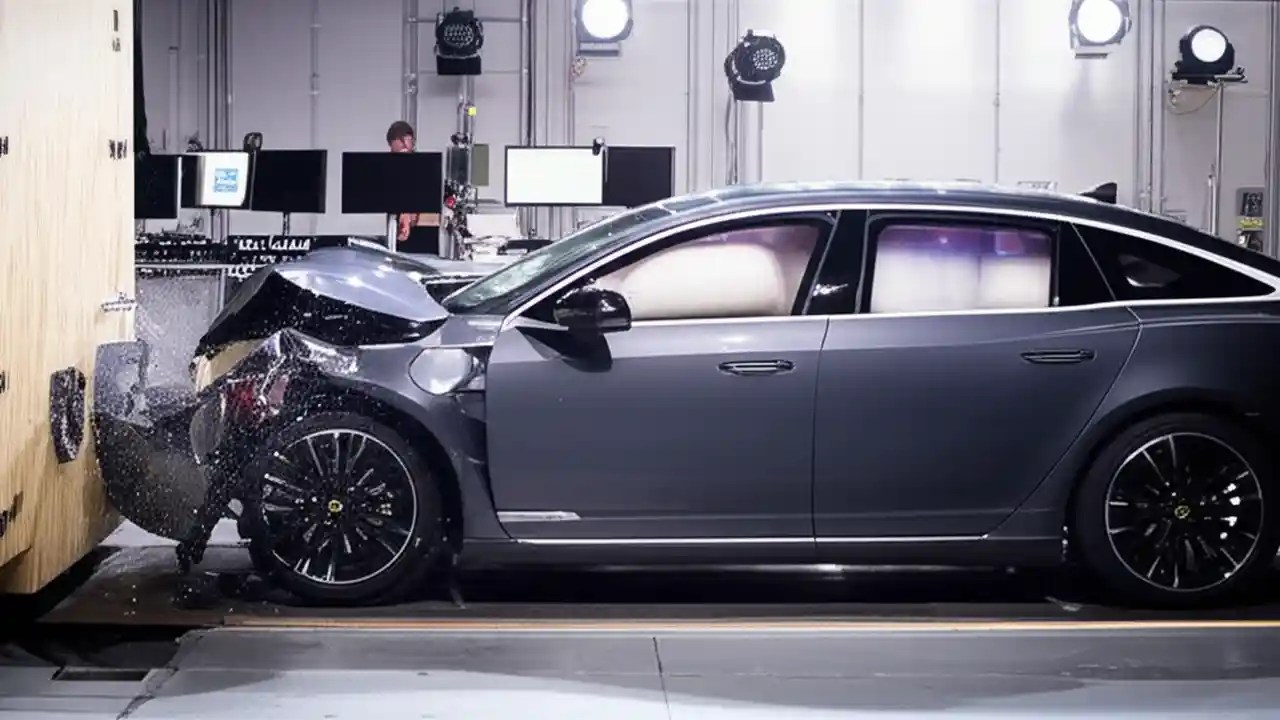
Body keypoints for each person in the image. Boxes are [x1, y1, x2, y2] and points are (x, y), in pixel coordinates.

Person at [385, 120, 441, 253]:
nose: (404, 145)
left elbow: (430, 195)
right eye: (399, 143)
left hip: (424, 235)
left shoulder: (426, 166)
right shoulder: (387, 167)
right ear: (391, 145)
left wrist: (410, 212)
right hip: (396, 233)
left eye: (406, 141)